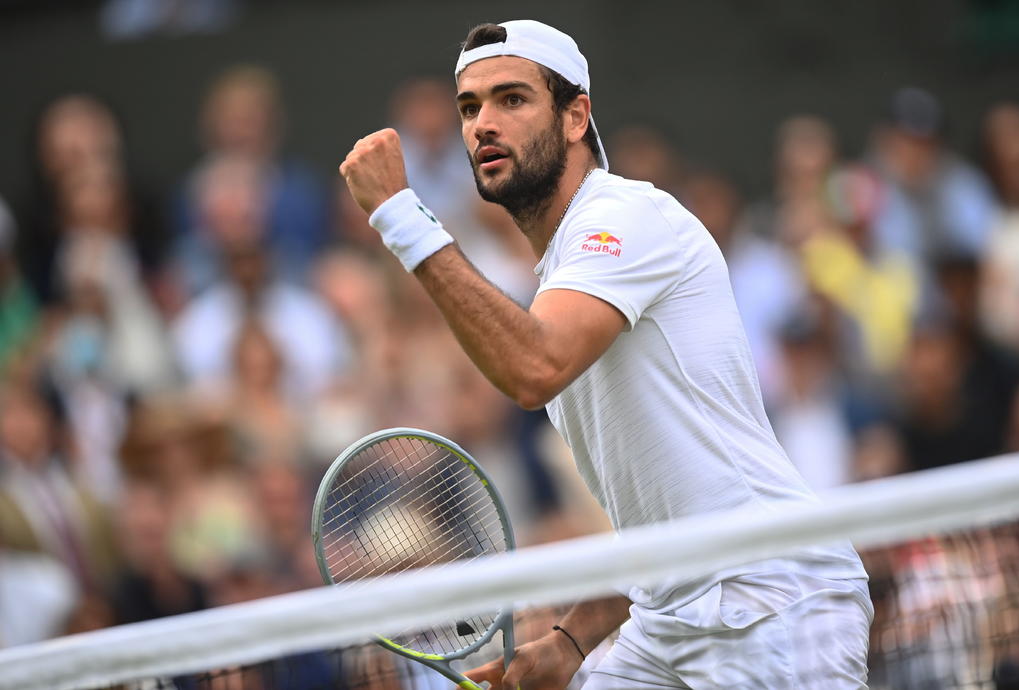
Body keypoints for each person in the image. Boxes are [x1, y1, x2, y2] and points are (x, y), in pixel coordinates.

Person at [339, 19, 871, 689]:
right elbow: (653, 520)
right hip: (667, 619)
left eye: (512, 99)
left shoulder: (623, 219)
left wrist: (398, 213)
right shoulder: (557, 286)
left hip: (772, 597)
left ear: (575, 116)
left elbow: (533, 370)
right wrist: (568, 642)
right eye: (469, 108)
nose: (482, 125)